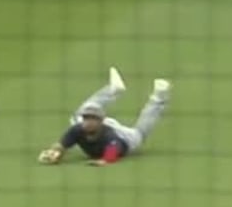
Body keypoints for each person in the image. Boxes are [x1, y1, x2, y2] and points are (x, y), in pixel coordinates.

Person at [39, 67, 171, 167]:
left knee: (141, 131)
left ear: (101, 121)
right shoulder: (77, 129)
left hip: (128, 138)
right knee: (77, 115)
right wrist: (54, 152)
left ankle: (160, 96)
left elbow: (113, 151)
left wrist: (102, 161)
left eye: (92, 119)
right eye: (86, 118)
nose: (88, 122)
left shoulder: (109, 136)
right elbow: (62, 144)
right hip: (109, 126)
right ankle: (113, 89)